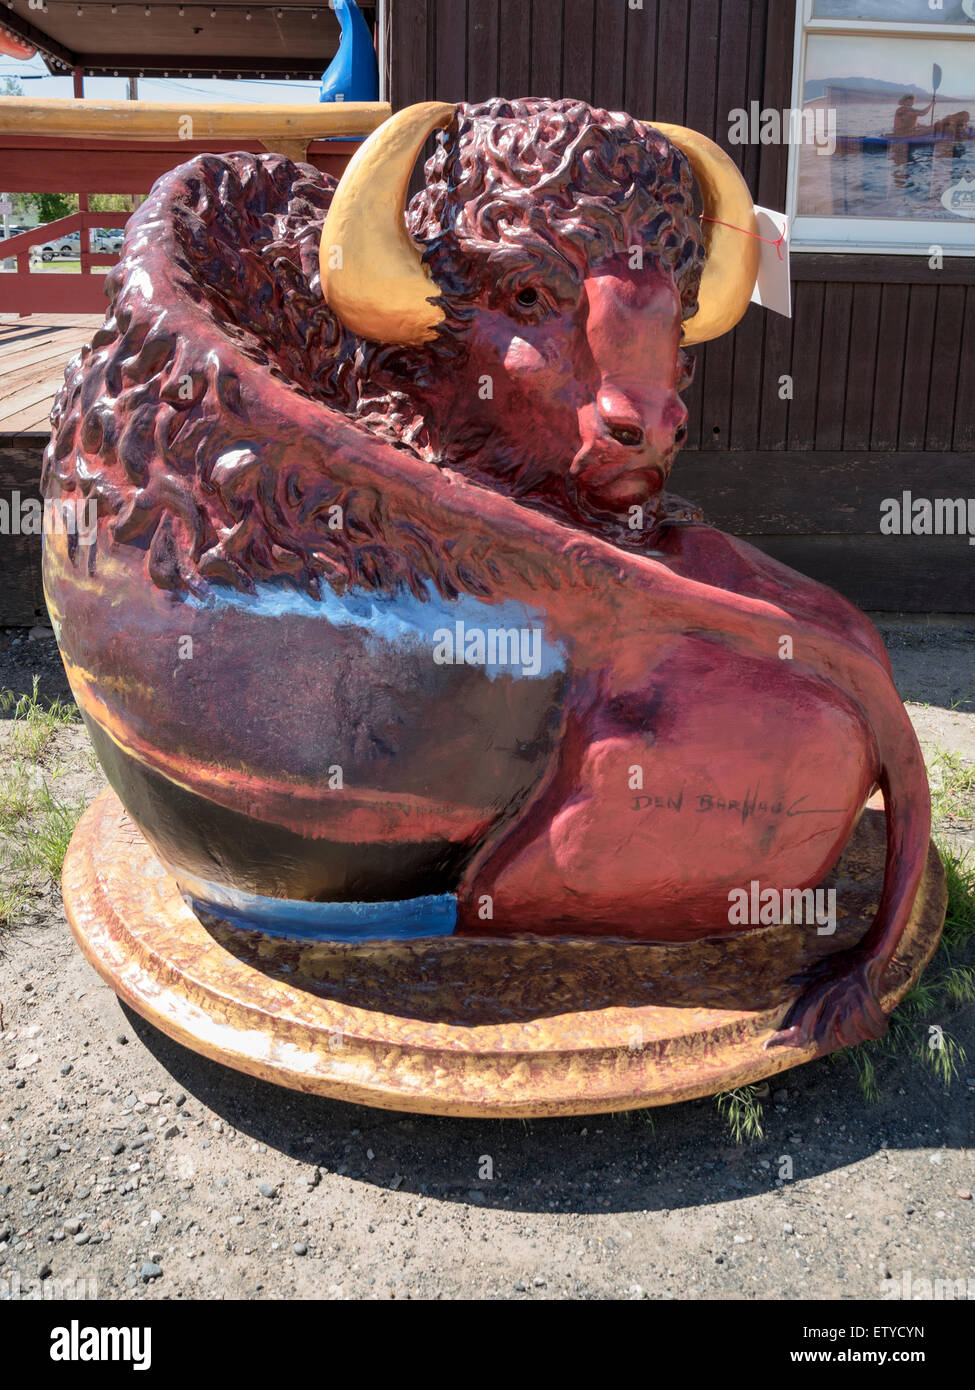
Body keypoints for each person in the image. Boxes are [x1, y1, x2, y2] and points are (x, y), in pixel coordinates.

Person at [890, 93, 934, 189]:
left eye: (913, 100)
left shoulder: (909, 110)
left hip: (907, 132)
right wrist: (931, 104)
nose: (912, 101)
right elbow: (922, 113)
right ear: (906, 101)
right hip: (902, 135)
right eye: (910, 100)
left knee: (932, 128)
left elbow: (916, 124)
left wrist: (927, 127)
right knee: (934, 129)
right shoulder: (903, 109)